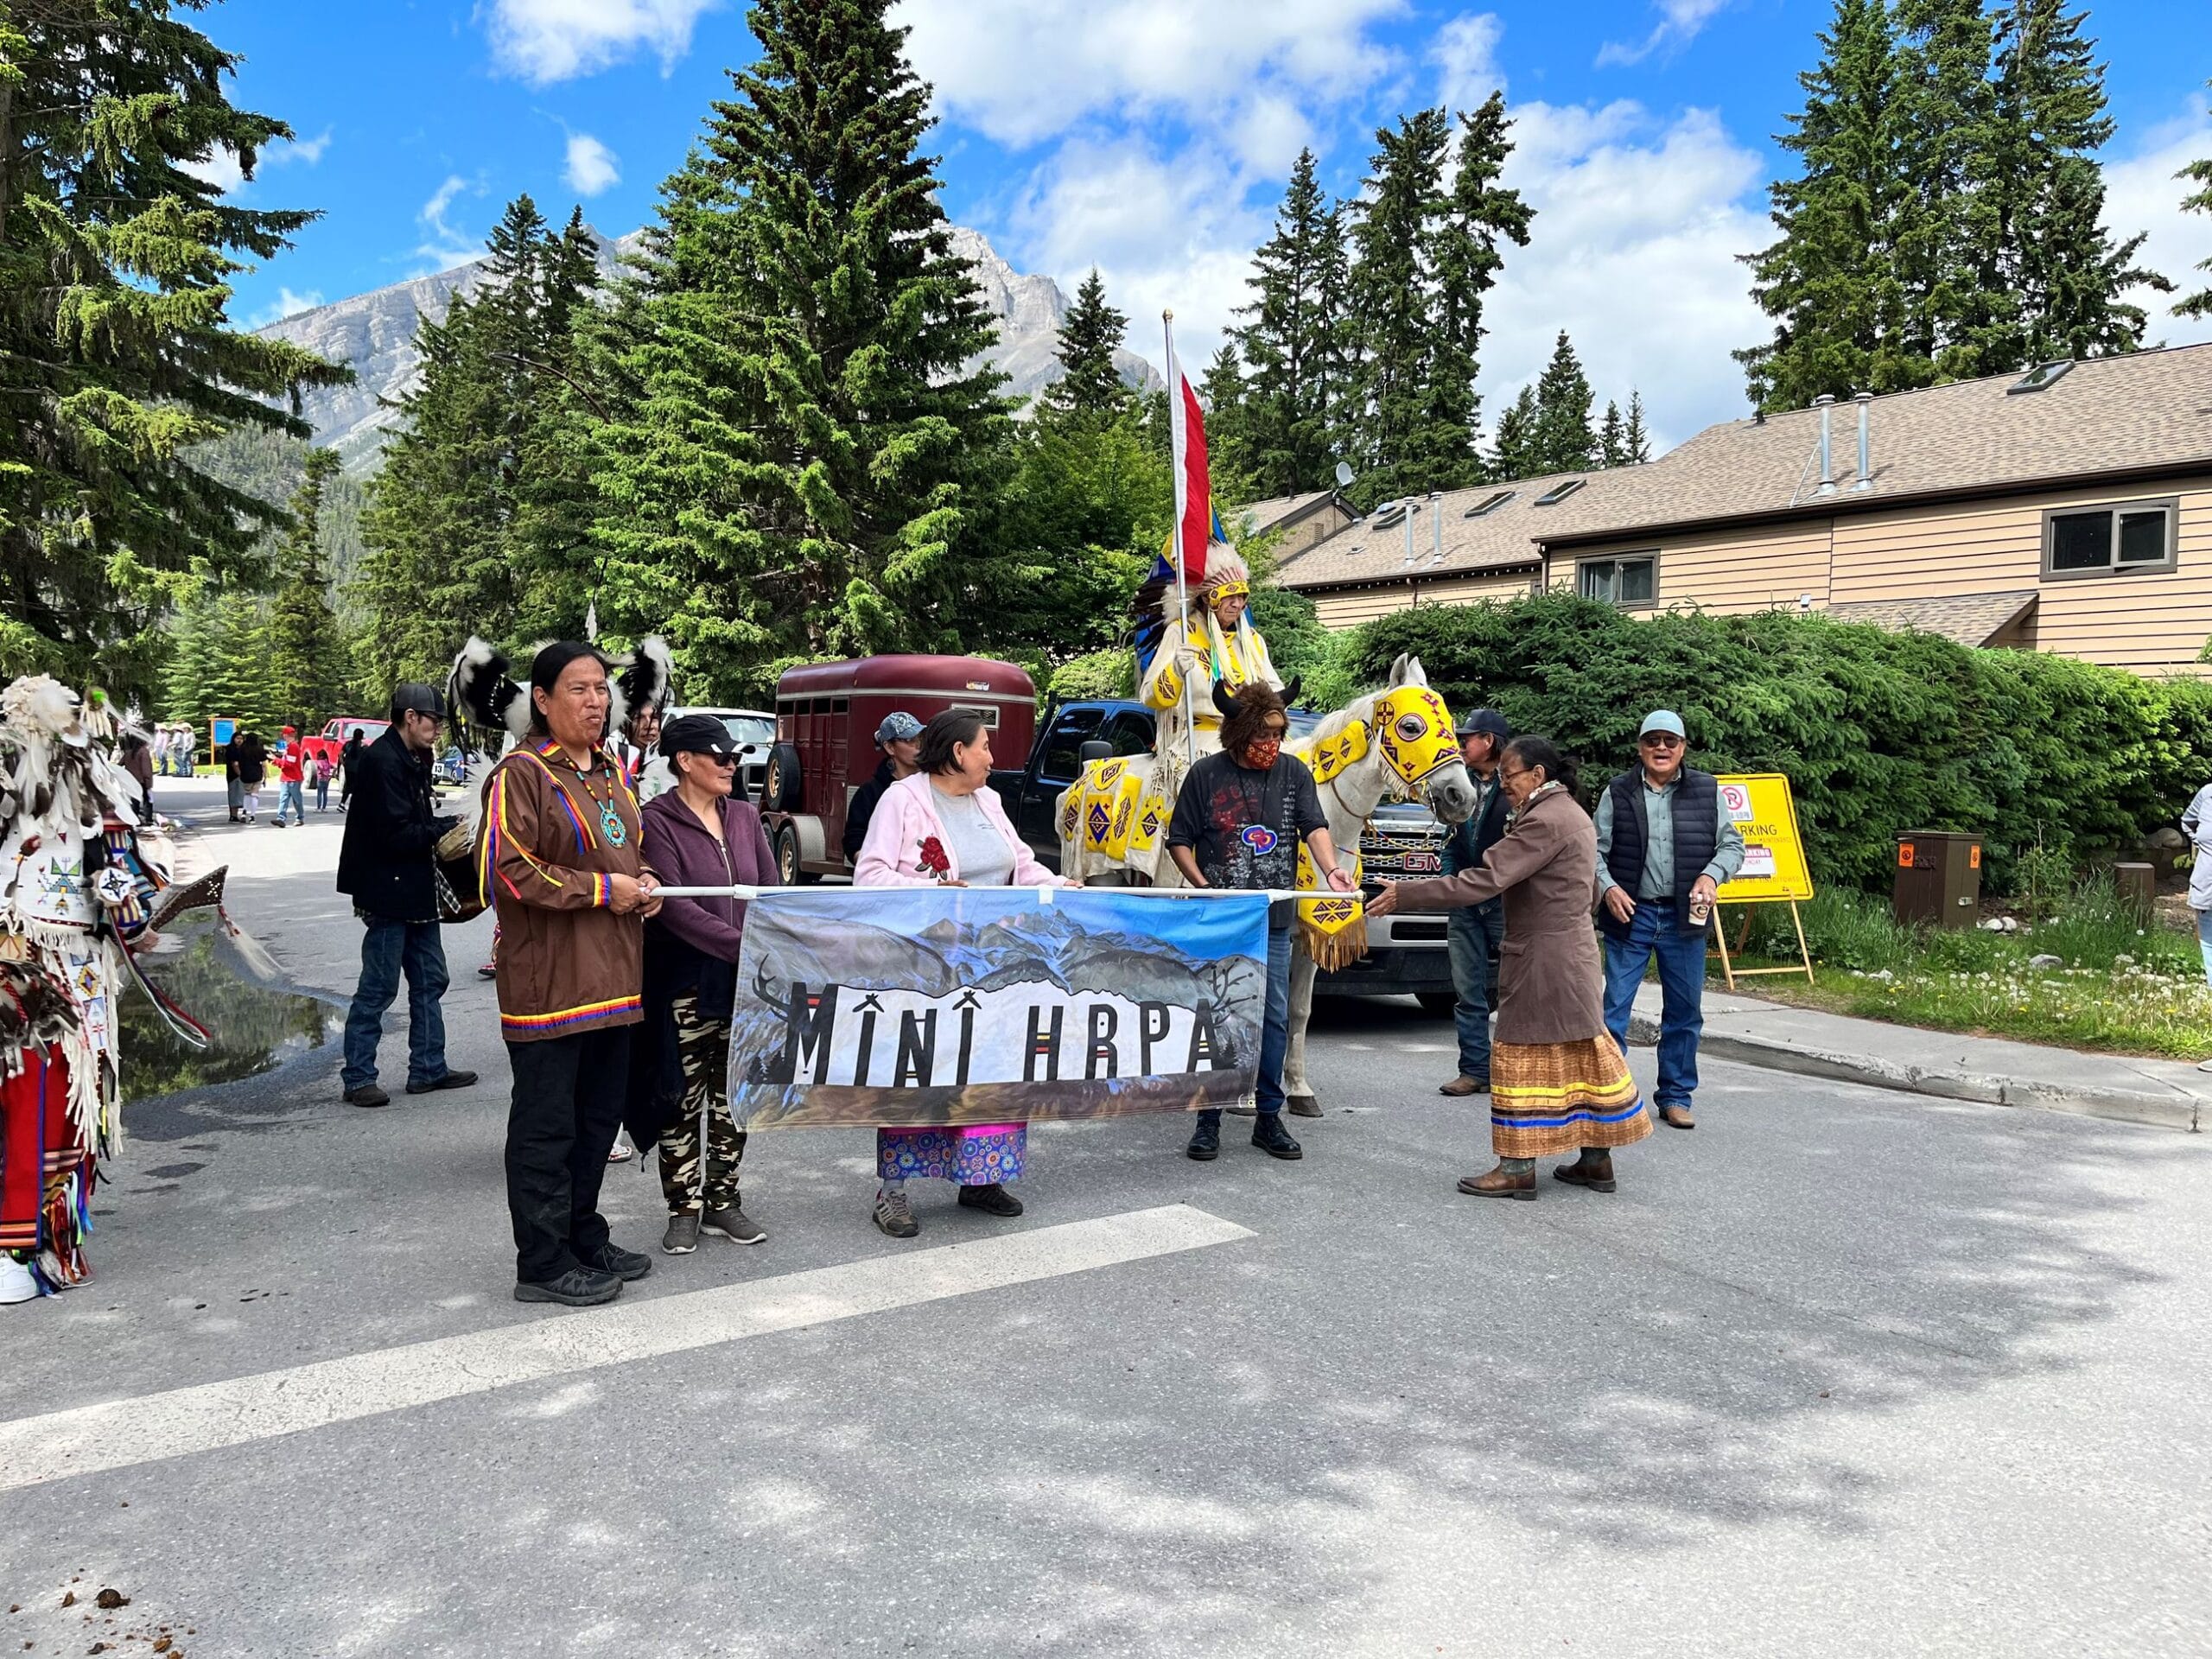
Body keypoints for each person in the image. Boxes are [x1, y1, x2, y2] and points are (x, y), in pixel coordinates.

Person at [1369, 736, 1650, 1198]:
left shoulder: (1544, 821)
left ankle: (1517, 1167)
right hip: (1570, 956)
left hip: (1543, 959)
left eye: (1508, 777)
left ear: (1538, 776)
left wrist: (1406, 893)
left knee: (1520, 1058)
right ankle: (1596, 1161)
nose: (1503, 786)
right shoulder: (1568, 813)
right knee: (1580, 1057)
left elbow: (1485, 879)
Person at [480, 642, 661, 1307]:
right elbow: (506, 869)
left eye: (601, 689)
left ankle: (583, 1233)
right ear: (544, 701)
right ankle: (543, 1260)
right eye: (579, 689)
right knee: (547, 1128)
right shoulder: (521, 774)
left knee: (595, 1123)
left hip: (615, 981)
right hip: (550, 989)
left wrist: (647, 882)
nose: (596, 700)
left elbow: (628, 853)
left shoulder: (612, 771)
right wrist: (602, 891)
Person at [855, 709, 1073, 1238]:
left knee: (992, 1071)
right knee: (919, 1072)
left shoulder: (990, 801)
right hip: (923, 969)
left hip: (993, 967)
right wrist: (935, 893)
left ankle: (981, 1178)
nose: (993, 759)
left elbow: (1019, 864)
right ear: (957, 753)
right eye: (985, 748)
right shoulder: (902, 799)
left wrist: (1059, 884)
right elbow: (870, 875)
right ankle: (894, 1191)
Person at [1166, 678, 1357, 1164]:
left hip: (1274, 920)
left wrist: (1332, 868)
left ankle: (1269, 1117)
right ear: (1237, 735)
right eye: (1262, 737)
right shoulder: (1206, 774)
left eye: (1276, 734)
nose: (1271, 745)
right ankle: (1208, 1118)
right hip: (1222, 918)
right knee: (1218, 1015)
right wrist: (1203, 884)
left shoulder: (1294, 773)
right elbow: (1180, 840)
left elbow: (1314, 827)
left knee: (1273, 1018)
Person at [640, 715, 777, 1254]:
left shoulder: (744, 815)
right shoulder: (657, 820)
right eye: (718, 756)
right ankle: (683, 1207)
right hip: (688, 980)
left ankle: (724, 1202)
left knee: (733, 1096)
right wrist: (744, 948)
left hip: (746, 983)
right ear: (685, 761)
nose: (730, 765)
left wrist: (777, 947)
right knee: (682, 1097)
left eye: (734, 757)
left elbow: (769, 890)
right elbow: (677, 907)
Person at [1595, 710, 1745, 1131]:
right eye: (1652, 741)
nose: (1661, 748)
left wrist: (1711, 875)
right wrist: (1608, 887)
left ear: (1683, 747)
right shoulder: (1618, 791)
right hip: (1631, 914)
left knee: (1684, 1011)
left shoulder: (1706, 789)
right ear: (1640, 747)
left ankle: (1676, 1096)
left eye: (1670, 741)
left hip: (1684, 917)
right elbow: (1593, 851)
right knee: (1614, 1012)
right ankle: (1610, 1095)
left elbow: (1732, 844)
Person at [334, 685, 479, 1109]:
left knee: (431, 980)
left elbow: (413, 823)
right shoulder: (383, 762)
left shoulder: (413, 757)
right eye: (433, 721)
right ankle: (358, 1077)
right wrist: (449, 827)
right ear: (411, 717)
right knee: (378, 988)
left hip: (413, 888)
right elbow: (397, 836)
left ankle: (429, 1068)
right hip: (386, 891)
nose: (438, 730)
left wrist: (446, 822)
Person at [1141, 546, 1284, 779]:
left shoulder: (1252, 641)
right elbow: (1150, 696)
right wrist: (1175, 671)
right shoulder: (1182, 633)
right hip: (1198, 738)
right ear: (1208, 598)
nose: (1238, 604)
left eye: (1242, 597)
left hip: (1254, 735)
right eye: (1230, 596)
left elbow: (1273, 686)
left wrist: (1276, 701)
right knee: (1206, 778)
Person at [1440, 709, 1513, 1098]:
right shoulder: (1459, 782)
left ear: (1488, 741)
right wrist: (1450, 881)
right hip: (1466, 899)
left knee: (1514, 989)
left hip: (1505, 900)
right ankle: (1473, 1070)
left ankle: (1509, 1069)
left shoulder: (1516, 781)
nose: (1460, 744)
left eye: (1467, 738)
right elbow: (1448, 840)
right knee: (1467, 990)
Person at [842, 710, 922, 863]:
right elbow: (854, 840)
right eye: (909, 739)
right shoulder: (869, 793)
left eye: (921, 738)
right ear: (889, 747)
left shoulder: (932, 785)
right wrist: (874, 867)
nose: (918, 745)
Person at [2184, 781, 2212, 988]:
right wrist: (2203, 846)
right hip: (2207, 885)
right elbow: (2187, 821)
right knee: (2209, 941)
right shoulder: (2208, 793)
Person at [273, 726, 307, 827]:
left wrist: (276, 760)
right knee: (283, 798)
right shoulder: (290, 746)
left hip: (293, 778)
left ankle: (300, 817)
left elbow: (289, 764)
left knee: (297, 800)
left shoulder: (293, 747)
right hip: (286, 777)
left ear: (286, 735)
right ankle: (281, 818)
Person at [233, 728, 266, 822]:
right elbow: (264, 764)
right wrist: (265, 776)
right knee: (255, 795)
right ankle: (252, 816)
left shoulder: (242, 749)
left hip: (245, 774)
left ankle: (244, 812)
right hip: (257, 774)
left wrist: (240, 773)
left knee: (247, 794)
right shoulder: (260, 749)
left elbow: (236, 764)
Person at [338, 727, 367, 812]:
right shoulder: (363, 746)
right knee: (356, 787)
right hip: (358, 769)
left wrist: (344, 763)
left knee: (349, 786)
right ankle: (354, 805)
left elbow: (340, 754)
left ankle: (343, 803)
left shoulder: (348, 744)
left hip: (348, 768)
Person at [313, 746, 334, 811]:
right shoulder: (327, 762)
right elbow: (334, 767)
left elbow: (320, 768)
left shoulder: (318, 762)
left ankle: (319, 808)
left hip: (320, 779)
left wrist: (322, 773)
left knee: (319, 794)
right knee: (325, 794)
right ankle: (324, 808)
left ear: (320, 756)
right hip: (327, 779)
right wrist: (331, 775)